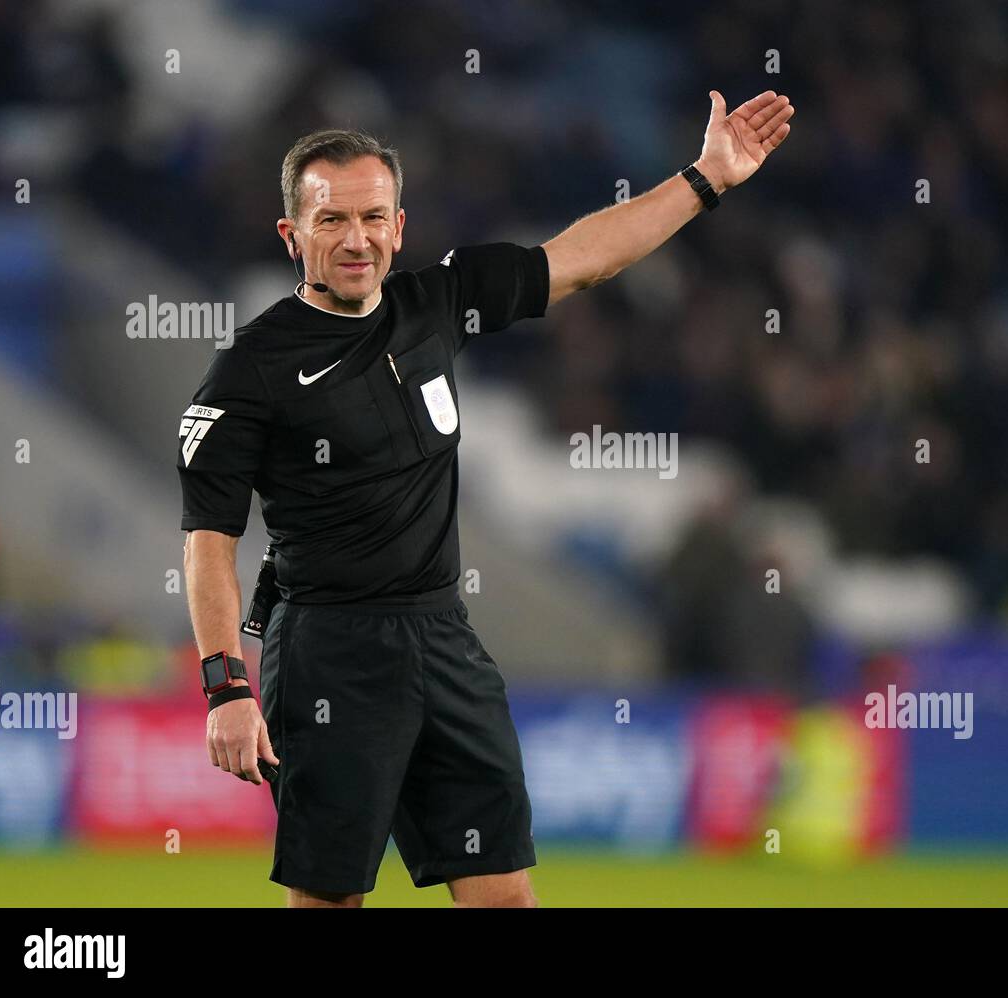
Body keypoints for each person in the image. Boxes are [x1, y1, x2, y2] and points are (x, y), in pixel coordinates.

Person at [177, 90, 794, 908]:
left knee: (504, 895)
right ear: (292, 235)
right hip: (331, 651)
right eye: (331, 222)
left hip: (444, 642)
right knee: (330, 900)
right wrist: (226, 686)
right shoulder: (250, 370)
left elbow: (586, 256)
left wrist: (706, 178)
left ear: (399, 226)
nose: (356, 239)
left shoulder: (435, 304)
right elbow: (208, 539)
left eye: (372, 218)